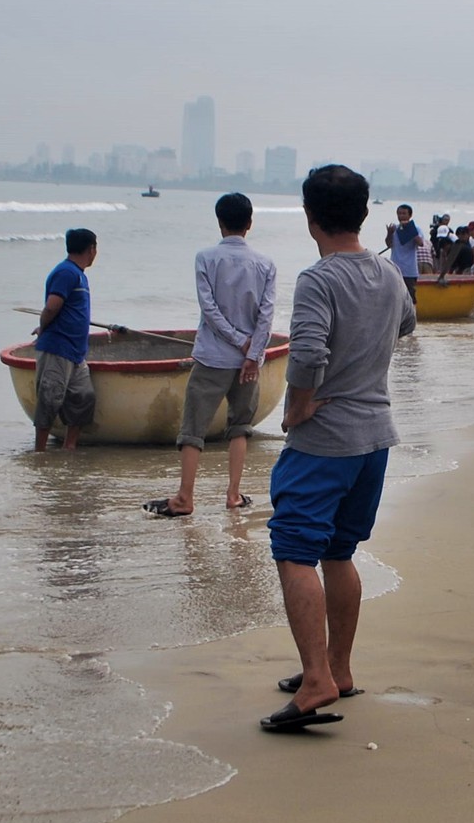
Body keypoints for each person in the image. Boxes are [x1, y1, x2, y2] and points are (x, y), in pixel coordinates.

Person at [264, 165, 416, 733]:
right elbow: (406, 326)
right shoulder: (388, 274)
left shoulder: (319, 279)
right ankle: (338, 669)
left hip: (325, 440)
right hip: (374, 436)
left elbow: (305, 351)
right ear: (365, 213)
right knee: (340, 551)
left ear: (310, 218)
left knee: (295, 549)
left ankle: (316, 679)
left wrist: (299, 405)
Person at [146, 193, 278, 519]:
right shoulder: (265, 264)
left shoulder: (205, 258)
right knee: (240, 426)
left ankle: (184, 497)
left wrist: (239, 342)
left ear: (219, 222)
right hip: (248, 363)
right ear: (249, 223)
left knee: (193, 428)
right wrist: (253, 352)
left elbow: (210, 309)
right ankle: (233, 494)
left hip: (212, 357)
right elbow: (266, 315)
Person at [31, 229, 99, 450]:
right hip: (58, 348)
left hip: (76, 352)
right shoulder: (66, 273)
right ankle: (39, 451)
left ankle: (69, 447)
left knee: (84, 397)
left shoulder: (79, 275)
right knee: (50, 399)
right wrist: (42, 328)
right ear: (91, 249)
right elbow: (52, 307)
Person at [382, 204, 425, 298]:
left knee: (410, 296)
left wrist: (409, 230)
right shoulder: (395, 229)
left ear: (410, 215)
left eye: (404, 213)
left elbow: (421, 243)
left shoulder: (416, 229)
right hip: (395, 268)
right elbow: (389, 245)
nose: (401, 216)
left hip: (409, 270)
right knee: (394, 296)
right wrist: (389, 233)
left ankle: (411, 313)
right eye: (399, 213)